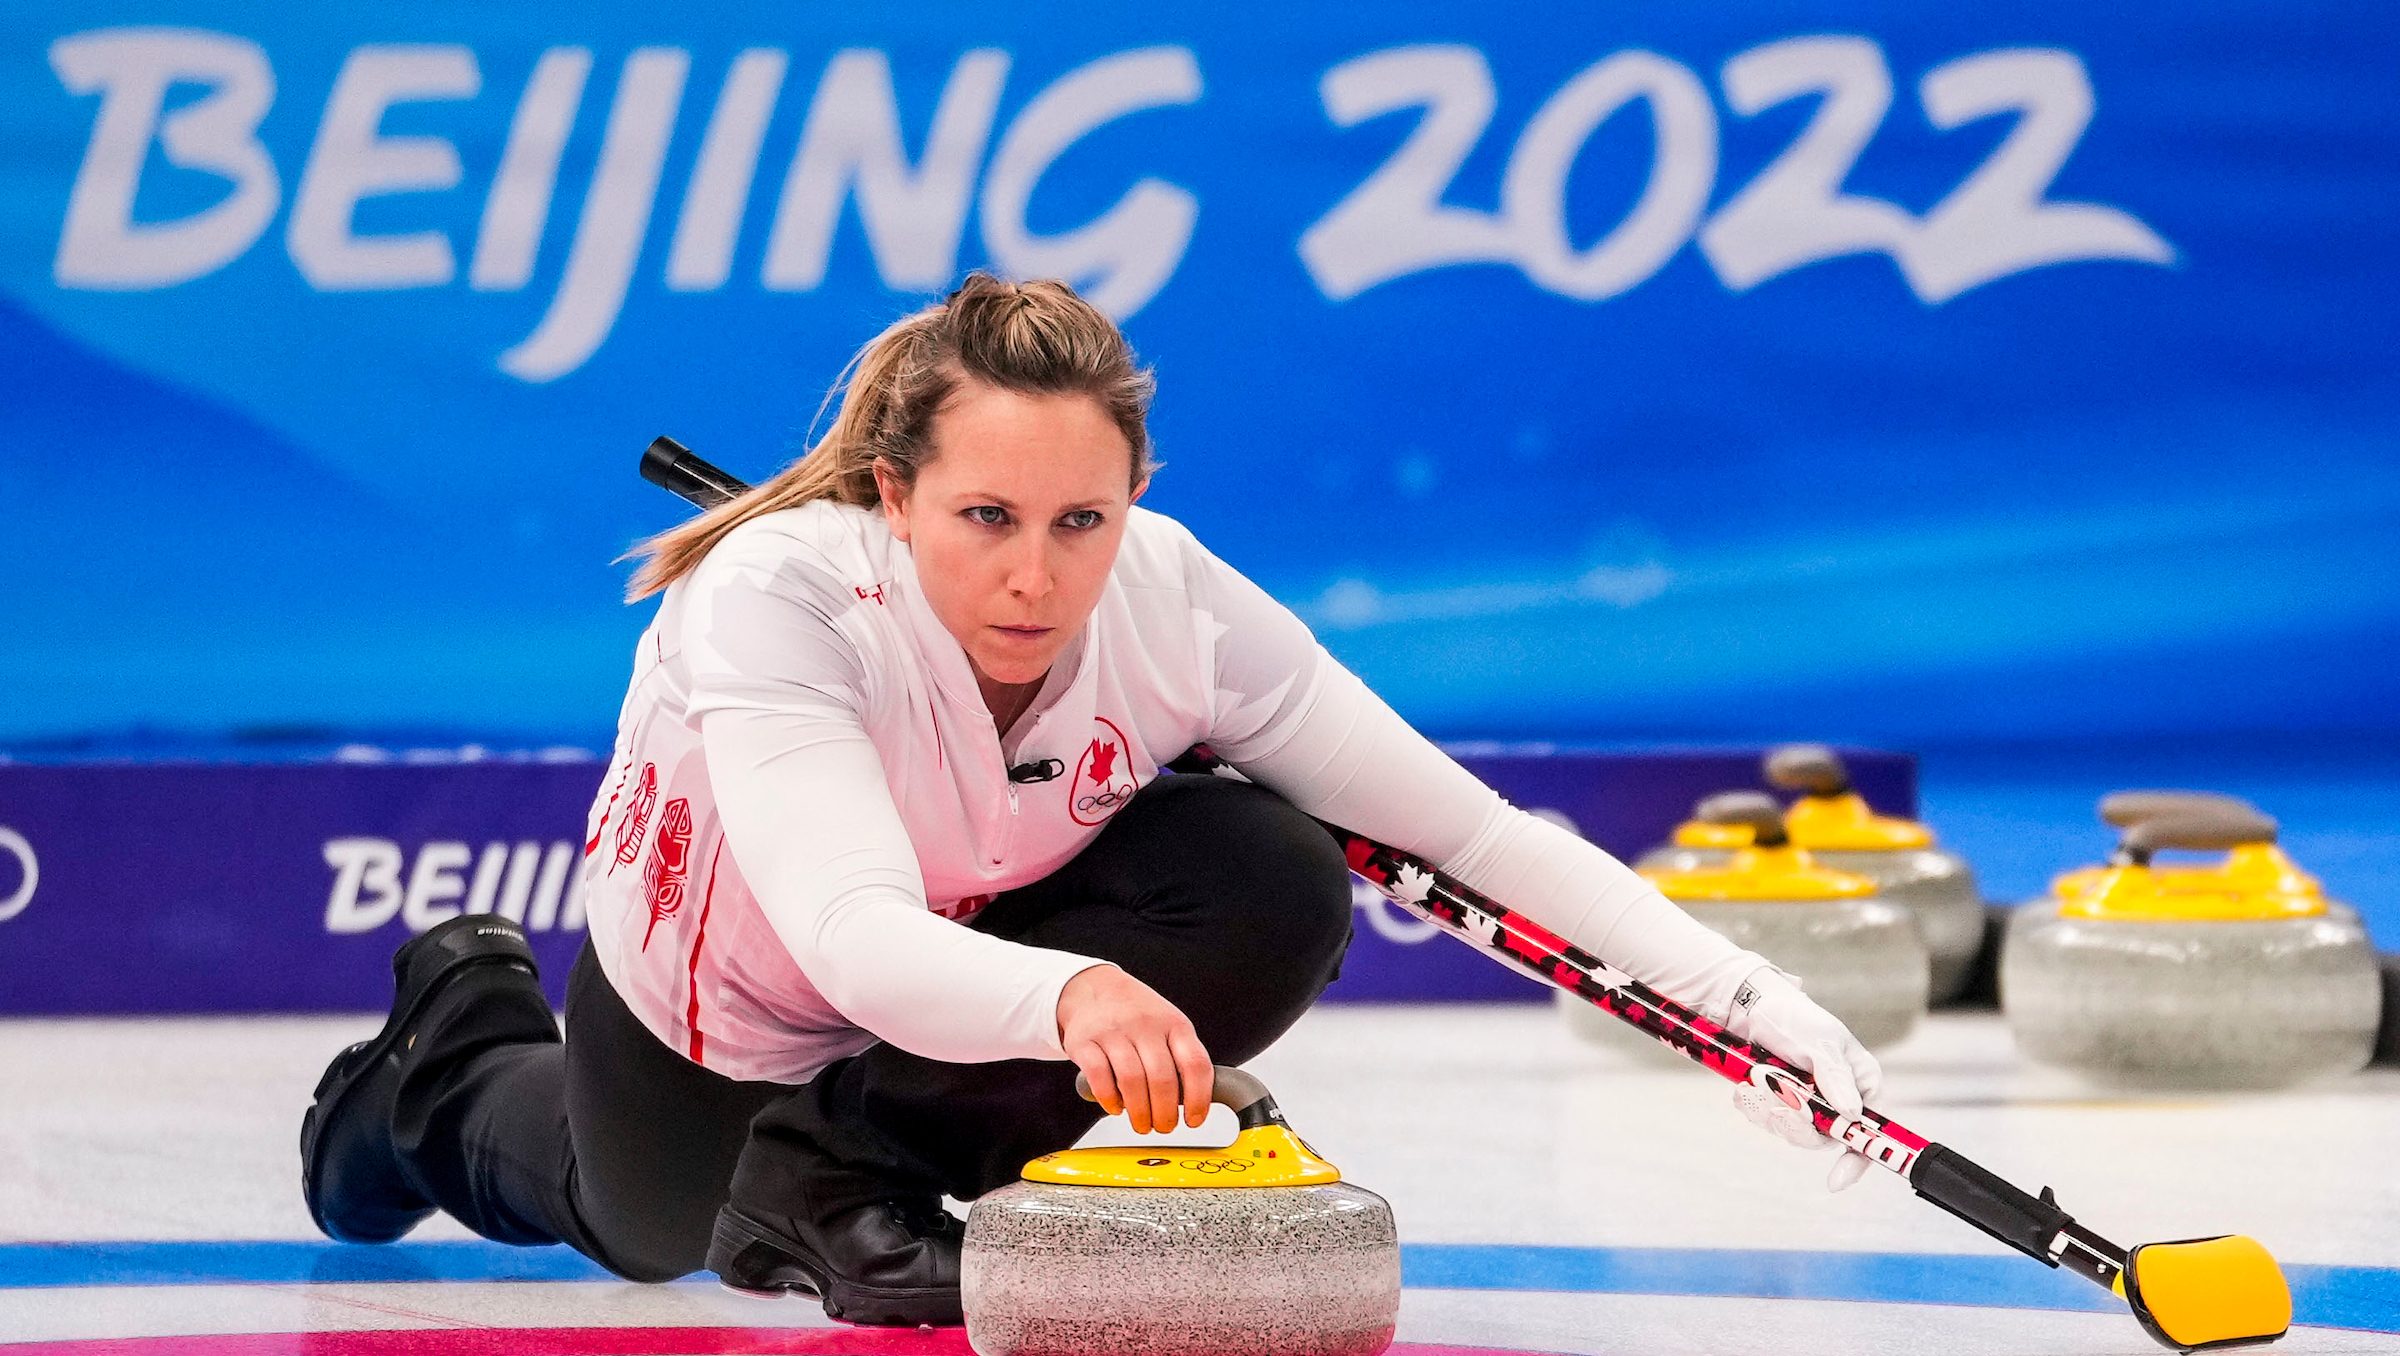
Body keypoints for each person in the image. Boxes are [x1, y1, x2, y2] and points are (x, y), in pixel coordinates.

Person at [301, 274, 1884, 1327]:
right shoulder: (777, 601)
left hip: (976, 961)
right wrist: (1076, 997)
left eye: (1083, 520)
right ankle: (452, 1057)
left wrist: (1750, 1005)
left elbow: (1464, 838)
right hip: (745, 985)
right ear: (890, 491)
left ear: (1133, 503)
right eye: (984, 515)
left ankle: (840, 1161)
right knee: (640, 1222)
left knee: (1272, 878)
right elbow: (851, 937)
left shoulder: (1175, 605)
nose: (1034, 575)